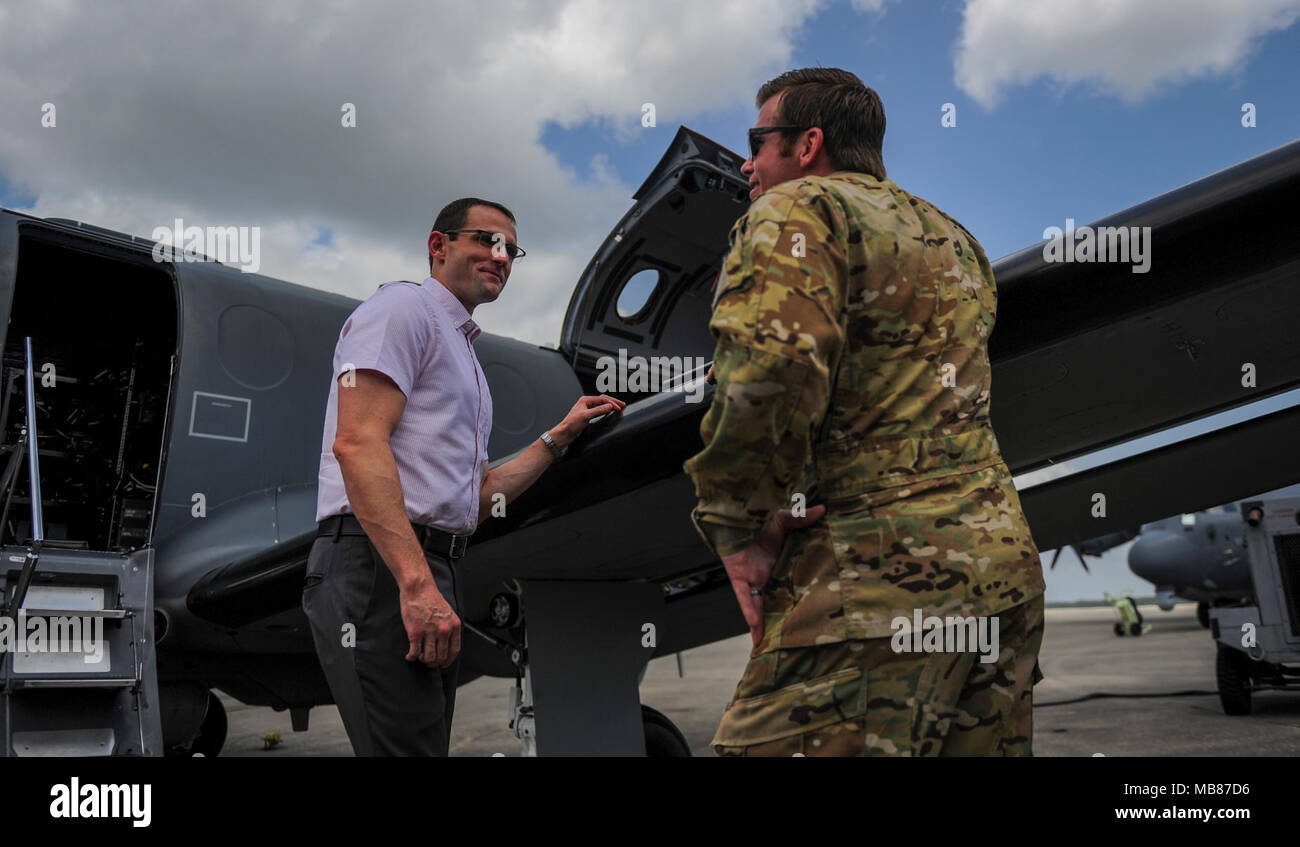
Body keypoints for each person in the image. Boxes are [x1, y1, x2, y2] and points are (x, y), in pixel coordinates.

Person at [684, 69, 1046, 756]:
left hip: (877, 583)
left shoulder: (798, 208)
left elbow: (773, 366)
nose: (747, 164)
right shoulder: (953, 235)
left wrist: (738, 523)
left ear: (807, 144)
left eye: (757, 143)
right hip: (1002, 577)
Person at [304, 197, 625, 756]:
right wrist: (416, 585)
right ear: (439, 245)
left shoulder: (465, 353)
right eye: (486, 240)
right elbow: (357, 443)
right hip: (381, 565)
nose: (500, 257)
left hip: (429, 565)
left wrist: (557, 438)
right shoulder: (402, 308)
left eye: (511, 250)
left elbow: (474, 499)